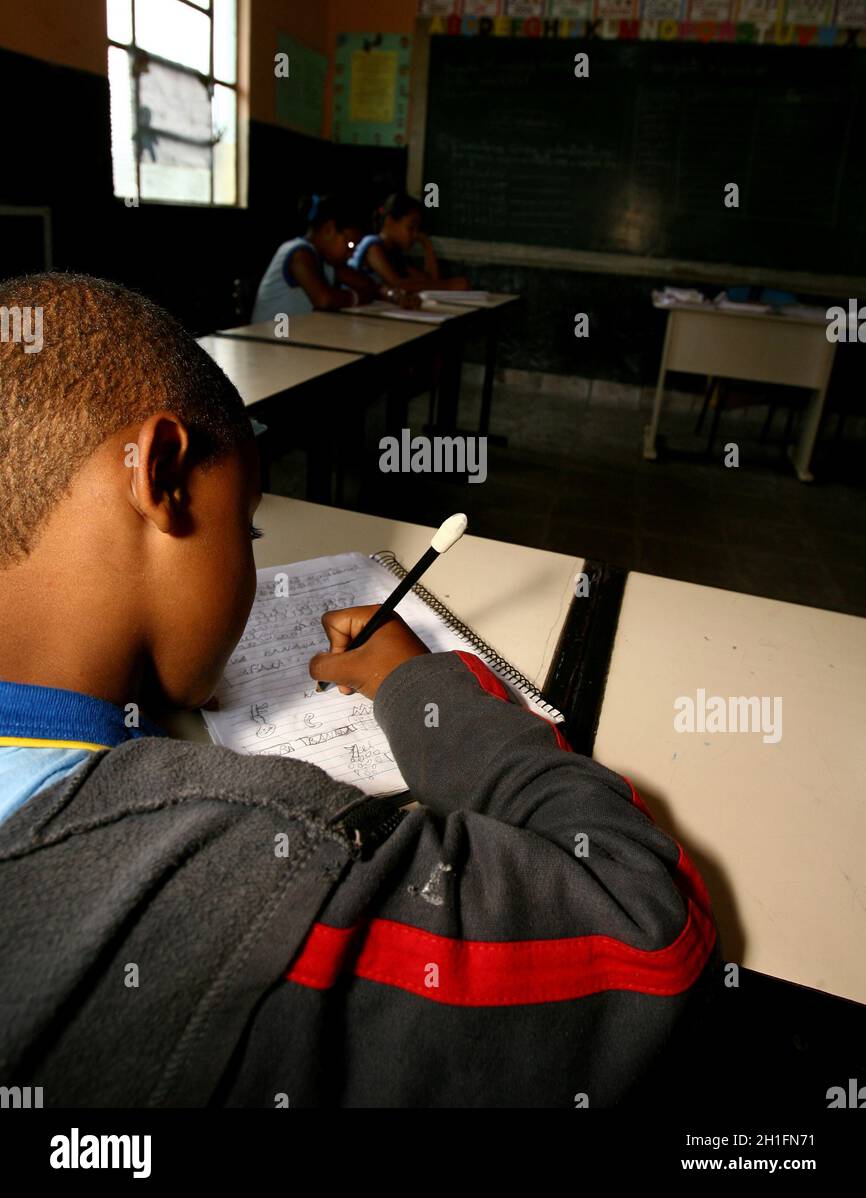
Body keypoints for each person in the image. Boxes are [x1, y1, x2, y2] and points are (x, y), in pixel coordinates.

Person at [0, 273, 721, 1107]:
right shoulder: (229, 877)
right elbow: (654, 936)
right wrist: (419, 687)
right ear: (163, 475)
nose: (252, 552)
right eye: (250, 524)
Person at [251, 193, 374, 322]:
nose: (351, 254)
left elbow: (367, 285)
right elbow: (324, 300)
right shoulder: (299, 253)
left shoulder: (325, 259)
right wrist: (357, 297)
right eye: (350, 244)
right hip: (272, 336)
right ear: (329, 229)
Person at [348, 192, 471, 295]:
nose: (416, 234)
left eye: (418, 229)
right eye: (411, 227)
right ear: (390, 222)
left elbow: (430, 280)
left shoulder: (395, 253)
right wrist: (447, 285)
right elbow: (397, 284)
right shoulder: (372, 246)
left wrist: (427, 245)